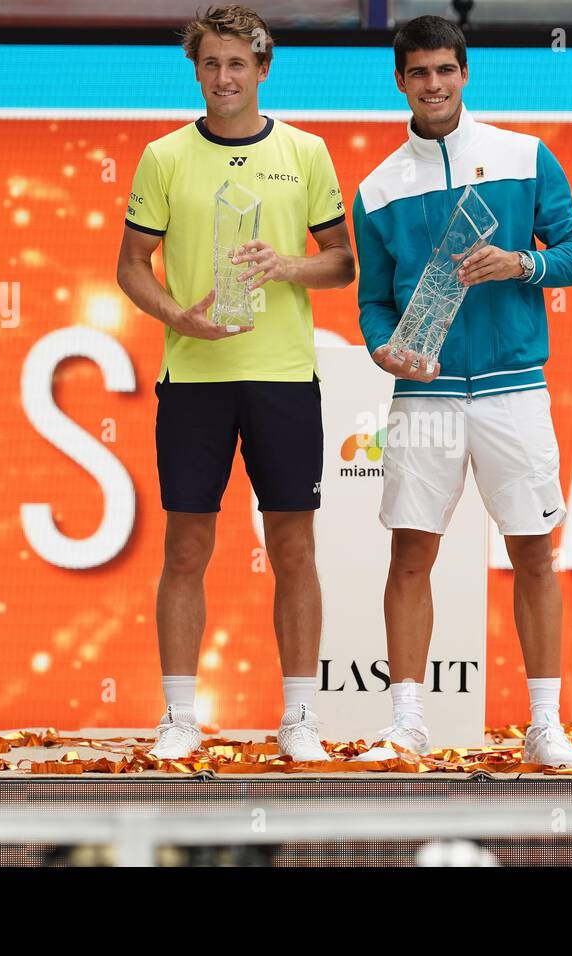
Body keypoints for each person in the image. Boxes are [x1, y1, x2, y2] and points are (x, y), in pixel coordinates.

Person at [351, 15, 572, 768]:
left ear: (465, 74)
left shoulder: (524, 156)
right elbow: (372, 302)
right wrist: (383, 349)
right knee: (411, 557)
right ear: (399, 81)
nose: (433, 85)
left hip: (512, 387)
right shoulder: (376, 189)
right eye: (418, 72)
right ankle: (407, 723)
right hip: (423, 395)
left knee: (534, 554)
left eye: (445, 70)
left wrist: (522, 265)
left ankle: (544, 725)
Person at [115, 5, 354, 761]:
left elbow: (344, 262)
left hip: (284, 376)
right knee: (186, 549)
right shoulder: (164, 157)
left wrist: (287, 265)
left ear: (263, 67)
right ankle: (180, 717)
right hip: (194, 379)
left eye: (237, 64)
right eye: (211, 64)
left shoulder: (307, 152)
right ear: (197, 70)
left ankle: (299, 718)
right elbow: (129, 266)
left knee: (294, 547)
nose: (224, 78)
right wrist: (176, 317)